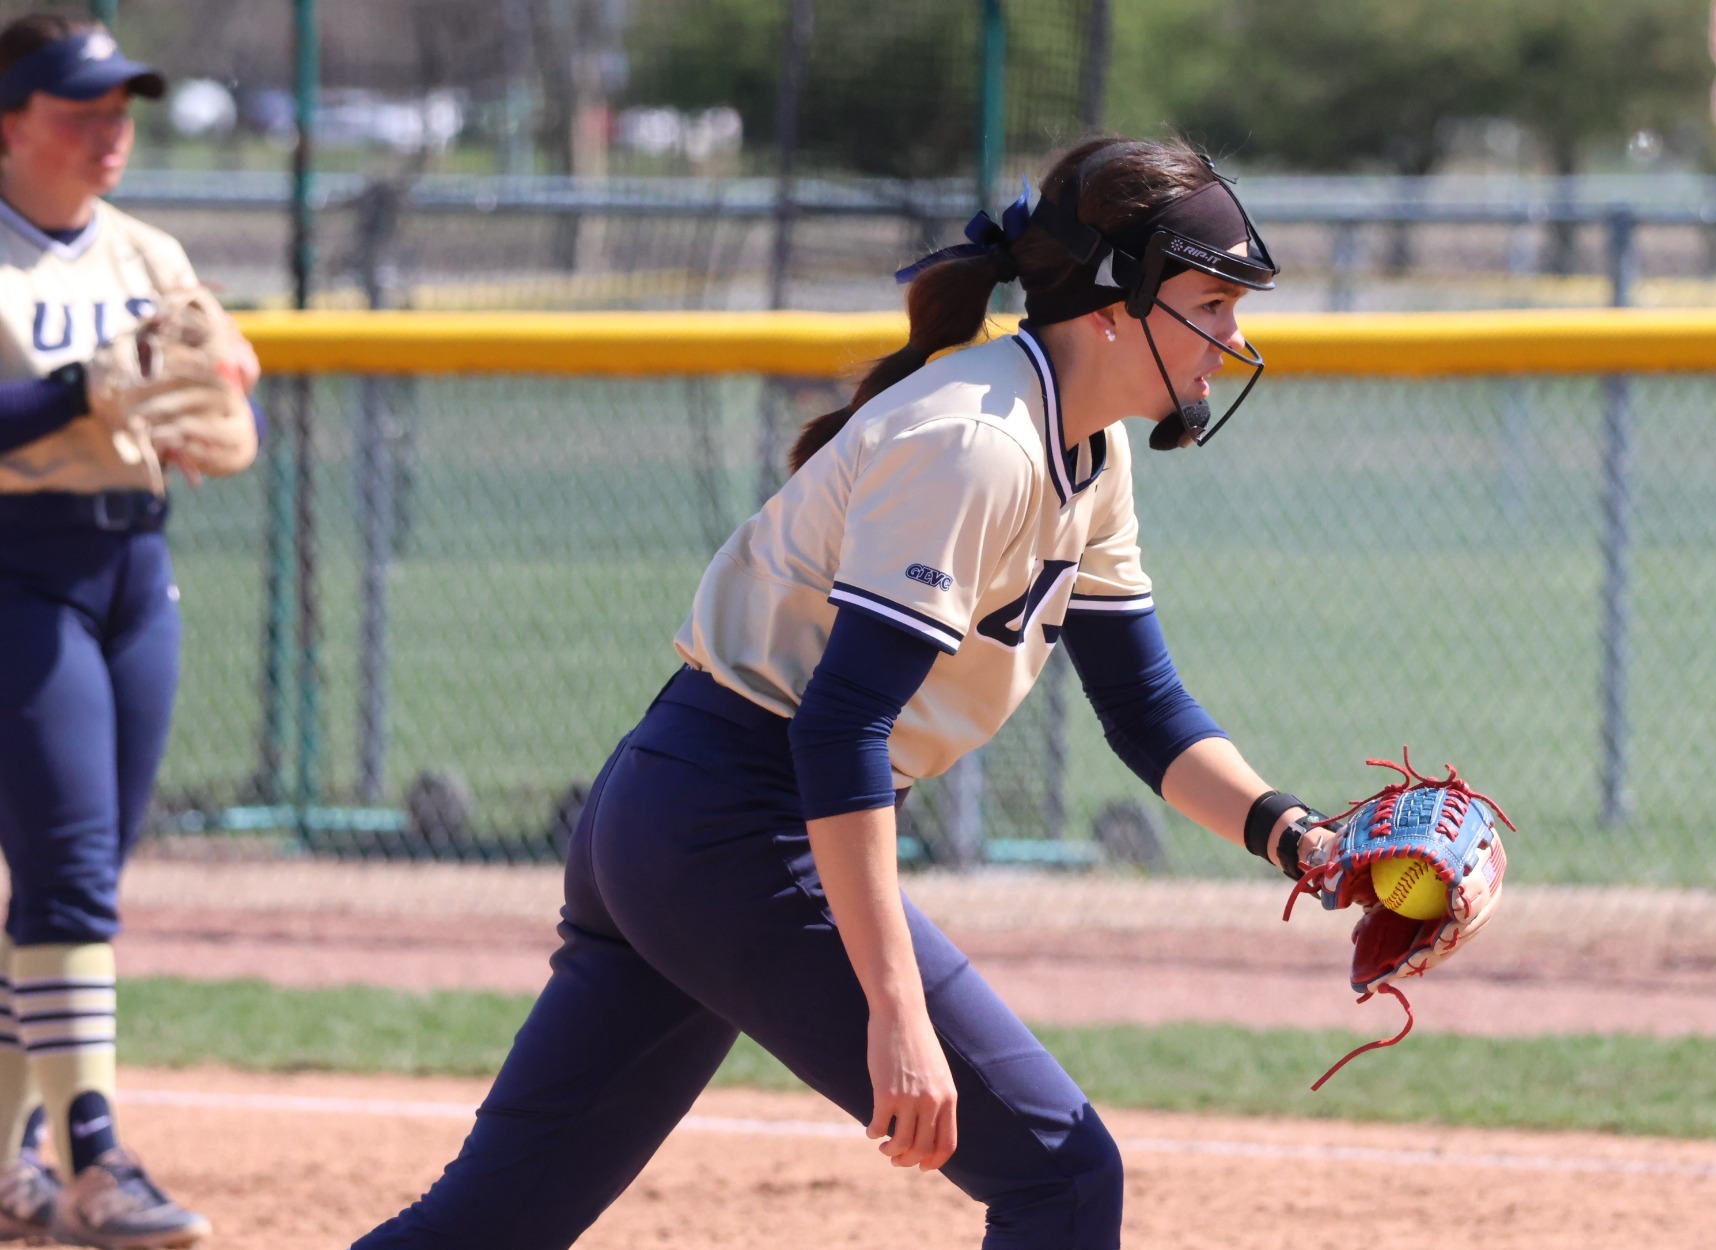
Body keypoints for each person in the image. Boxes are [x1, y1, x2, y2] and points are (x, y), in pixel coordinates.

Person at [354, 135, 1335, 1250]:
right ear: (1113, 302)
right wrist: (895, 1007)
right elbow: (841, 725)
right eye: (1210, 302)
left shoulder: (1085, 446)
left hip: (681, 819)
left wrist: (1298, 838)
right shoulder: (976, 441)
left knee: (488, 1223)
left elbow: (1144, 709)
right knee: (1060, 1180)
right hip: (742, 823)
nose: (1233, 337)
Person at [0, 15, 260, 1250]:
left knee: (81, 874)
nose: (110, 128)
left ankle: (6, 1167)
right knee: (68, 872)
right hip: (17, 567)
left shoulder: (146, 249)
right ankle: (96, 1160)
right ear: (10, 122)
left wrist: (223, 382)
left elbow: (211, 365)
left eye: (121, 106)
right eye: (78, 106)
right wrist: (78, 388)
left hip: (132, 566)